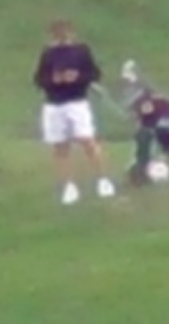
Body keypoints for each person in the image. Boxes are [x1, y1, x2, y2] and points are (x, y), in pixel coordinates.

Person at [34, 18, 118, 205]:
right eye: (58, 34)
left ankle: (103, 180)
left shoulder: (81, 51)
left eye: (65, 33)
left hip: (77, 102)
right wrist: (53, 80)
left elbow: (94, 74)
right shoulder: (48, 54)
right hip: (54, 105)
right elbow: (39, 79)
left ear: (71, 33)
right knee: (60, 146)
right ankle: (69, 186)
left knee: (87, 141)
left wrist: (77, 77)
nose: (62, 37)